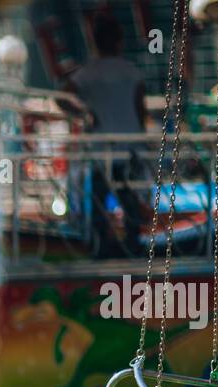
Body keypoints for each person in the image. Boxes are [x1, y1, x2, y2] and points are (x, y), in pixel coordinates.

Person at [64, 13, 146, 255]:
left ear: (95, 41)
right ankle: (133, 247)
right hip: (129, 146)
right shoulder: (131, 71)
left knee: (97, 202)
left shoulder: (88, 72)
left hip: (101, 148)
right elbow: (140, 109)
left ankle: (99, 248)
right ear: (119, 41)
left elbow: (63, 98)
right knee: (129, 201)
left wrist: (84, 113)